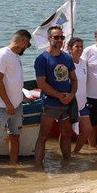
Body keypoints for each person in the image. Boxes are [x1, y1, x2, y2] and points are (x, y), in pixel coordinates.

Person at [0, 30, 31, 171]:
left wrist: (21, 98)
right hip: (1, 106)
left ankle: (13, 166)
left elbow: (14, 81)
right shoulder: (2, 55)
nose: (27, 48)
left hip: (17, 106)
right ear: (23, 42)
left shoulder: (16, 57)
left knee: (15, 137)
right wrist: (8, 103)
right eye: (28, 45)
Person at [33, 27, 77, 168]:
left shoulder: (67, 57)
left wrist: (71, 95)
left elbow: (74, 79)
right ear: (49, 39)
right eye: (56, 37)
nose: (59, 40)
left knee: (66, 133)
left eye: (61, 37)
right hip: (50, 103)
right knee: (43, 136)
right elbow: (41, 83)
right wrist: (58, 95)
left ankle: (67, 163)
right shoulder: (42, 59)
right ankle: (38, 168)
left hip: (66, 102)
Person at [67, 37, 94, 154]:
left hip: (82, 103)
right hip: (70, 104)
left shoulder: (84, 63)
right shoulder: (66, 63)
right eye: (76, 46)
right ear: (70, 49)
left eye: (81, 46)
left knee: (88, 129)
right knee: (66, 133)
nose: (80, 49)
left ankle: (75, 152)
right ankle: (65, 154)